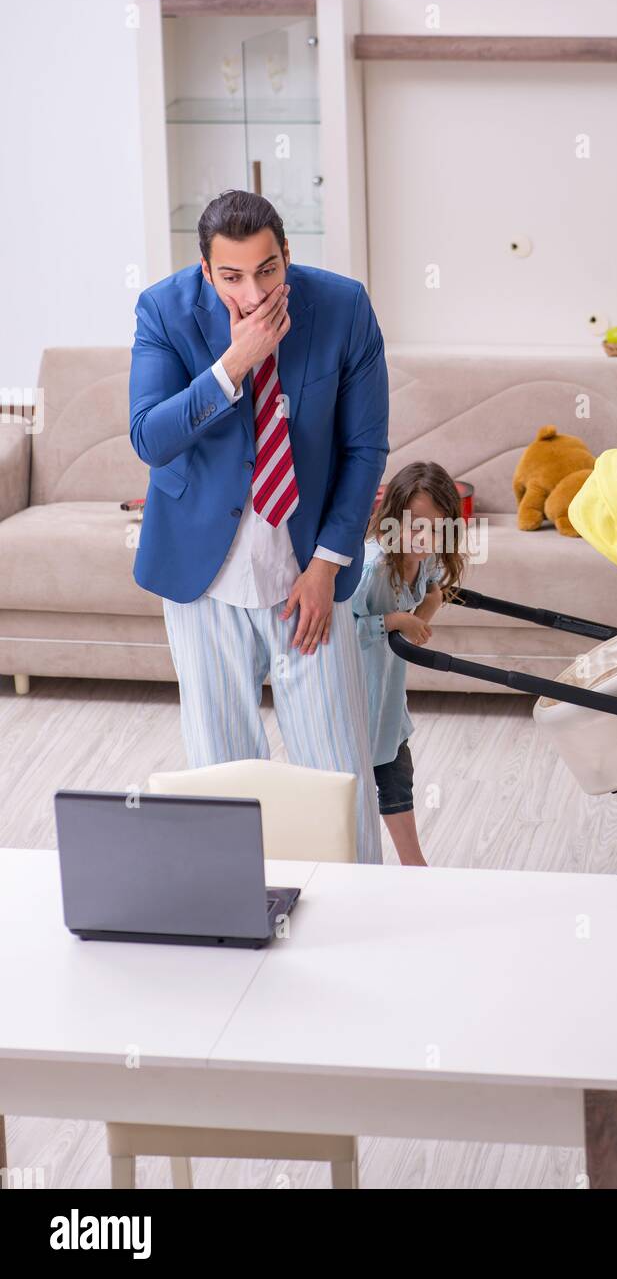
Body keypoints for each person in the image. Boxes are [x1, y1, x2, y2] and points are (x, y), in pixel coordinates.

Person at [128, 189, 389, 863]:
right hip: (202, 577)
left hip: (305, 574)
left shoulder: (342, 307)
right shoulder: (163, 309)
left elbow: (364, 449)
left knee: (338, 772)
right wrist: (233, 363)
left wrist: (327, 566)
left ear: (286, 258)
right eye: (234, 276)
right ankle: (232, 914)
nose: (253, 291)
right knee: (220, 773)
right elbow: (151, 439)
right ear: (206, 271)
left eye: (267, 270)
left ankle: (362, 912)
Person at [352, 462, 467, 865]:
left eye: (436, 528)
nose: (424, 537)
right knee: (353, 790)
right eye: (414, 525)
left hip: (387, 700)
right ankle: (354, 864)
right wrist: (395, 620)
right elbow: (339, 633)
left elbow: (416, 628)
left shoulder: (427, 559)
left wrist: (429, 605)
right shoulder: (369, 569)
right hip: (355, 699)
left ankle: (413, 865)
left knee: (398, 779)